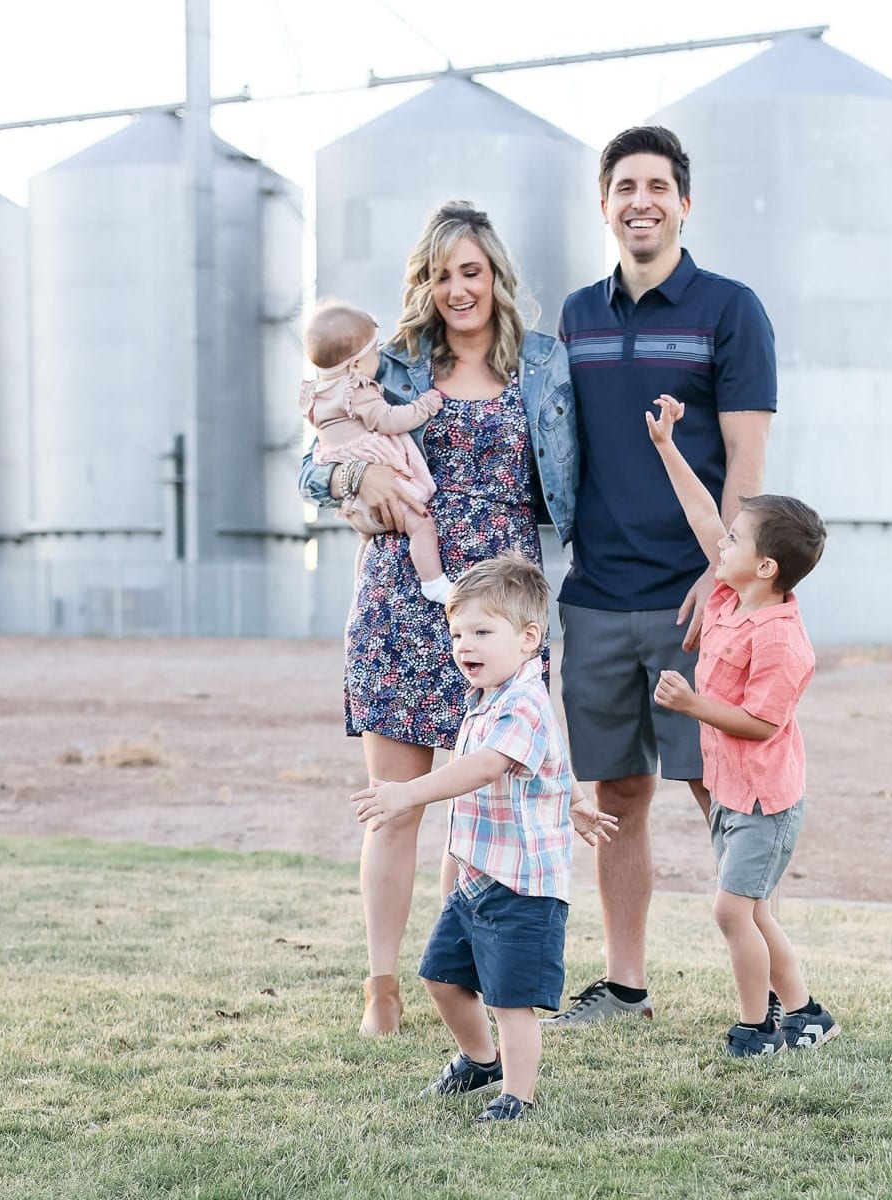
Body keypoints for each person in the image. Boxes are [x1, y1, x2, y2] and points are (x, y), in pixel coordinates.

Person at [297, 202, 578, 1036]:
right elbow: (314, 464)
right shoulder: (394, 364)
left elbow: (573, 473)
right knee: (399, 801)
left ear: (495, 276)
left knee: (485, 805)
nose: (459, 289)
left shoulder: (543, 363)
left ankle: (472, 976)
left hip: (502, 602)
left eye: (472, 271)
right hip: (403, 596)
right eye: (442, 273)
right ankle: (382, 984)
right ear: (424, 282)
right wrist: (354, 487)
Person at [546, 126, 776, 1026]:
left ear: (685, 202)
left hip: (694, 596)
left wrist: (725, 577)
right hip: (596, 594)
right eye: (623, 187)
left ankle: (779, 994)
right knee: (619, 794)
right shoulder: (574, 316)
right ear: (603, 205)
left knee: (720, 789)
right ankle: (626, 986)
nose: (640, 200)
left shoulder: (729, 308)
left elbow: (748, 461)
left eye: (657, 185)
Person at [352, 554, 616, 1120]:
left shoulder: (523, 700)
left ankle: (516, 1095)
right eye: (456, 633)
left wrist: (406, 792)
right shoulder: (489, 697)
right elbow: (552, 760)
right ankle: (480, 1059)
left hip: (523, 888)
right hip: (478, 877)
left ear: (528, 639)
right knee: (441, 977)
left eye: (481, 632)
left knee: (510, 1001)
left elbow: (486, 767)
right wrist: (574, 801)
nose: (464, 645)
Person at [646, 394, 838, 1055]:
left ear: (766, 567)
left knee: (732, 910)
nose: (719, 544)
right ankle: (806, 1011)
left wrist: (692, 705)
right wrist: (667, 445)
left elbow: (760, 723)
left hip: (764, 800)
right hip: (734, 792)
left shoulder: (783, 639)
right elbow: (704, 514)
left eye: (734, 541)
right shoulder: (732, 591)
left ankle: (756, 1027)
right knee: (752, 910)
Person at [300, 298, 449, 600]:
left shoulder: (317, 395)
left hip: (356, 504)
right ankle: (434, 583)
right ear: (355, 364)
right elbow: (390, 420)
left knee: (368, 543)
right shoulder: (357, 391)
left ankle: (361, 592)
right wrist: (423, 406)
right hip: (377, 482)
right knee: (421, 525)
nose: (379, 357)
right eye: (374, 350)